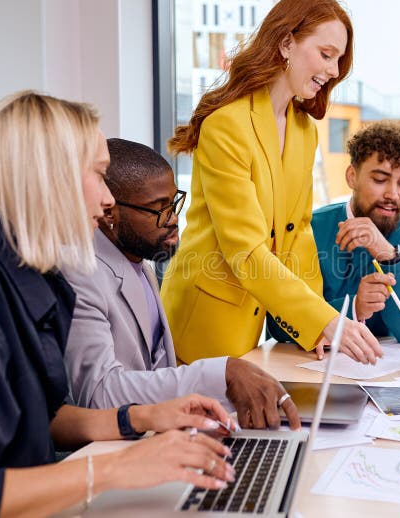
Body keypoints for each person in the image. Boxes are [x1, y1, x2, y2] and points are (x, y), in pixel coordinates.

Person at [0, 92, 238, 516]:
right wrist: (116, 468)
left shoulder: (30, 274)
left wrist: (148, 417)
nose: (108, 199)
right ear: (49, 177)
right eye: (99, 176)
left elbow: (43, 419)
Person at [162, 0, 382, 365]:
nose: (332, 70)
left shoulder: (302, 130)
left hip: (250, 326)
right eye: (326, 54)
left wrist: (312, 327)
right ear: (286, 43)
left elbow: (298, 236)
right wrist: (327, 322)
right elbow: (245, 252)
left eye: (338, 61)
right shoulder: (227, 126)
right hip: (201, 323)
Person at [63, 138, 301, 430]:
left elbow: (155, 371)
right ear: (110, 211)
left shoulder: (138, 260)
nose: (174, 219)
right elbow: (99, 394)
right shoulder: (82, 274)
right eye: (158, 209)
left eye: (174, 202)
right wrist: (220, 373)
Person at [304, 121, 400, 351]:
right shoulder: (311, 227)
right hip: (312, 367)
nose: (393, 194)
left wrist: (389, 256)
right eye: (379, 180)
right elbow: (280, 325)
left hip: (383, 373)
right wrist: (354, 307)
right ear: (352, 177)